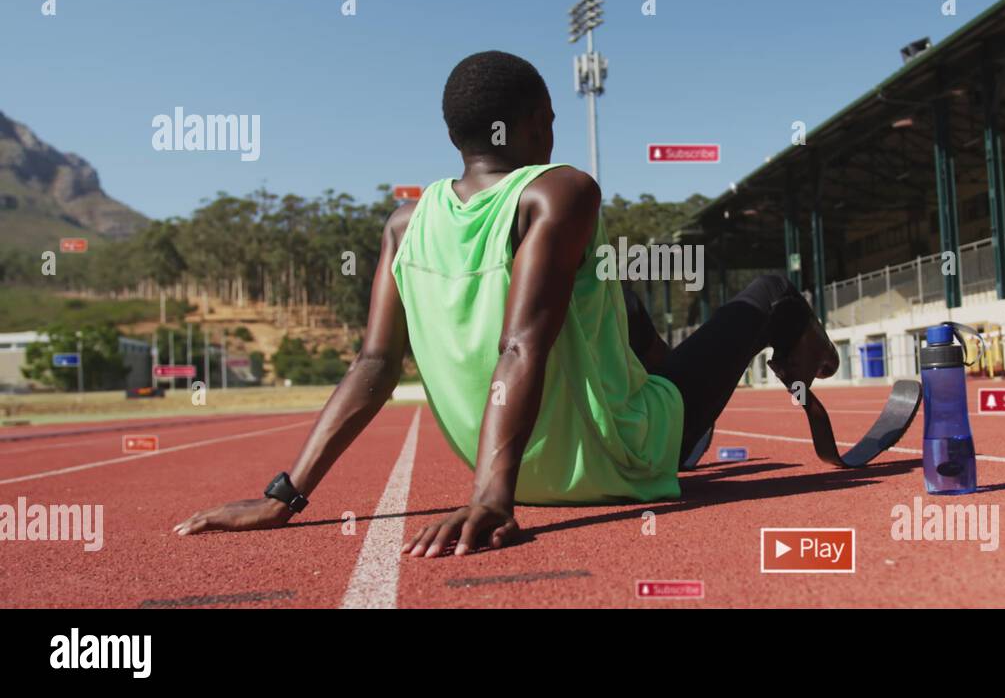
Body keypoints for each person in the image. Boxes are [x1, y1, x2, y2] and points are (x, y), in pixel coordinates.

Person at [173, 51, 837, 557]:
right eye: (548, 122)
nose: (552, 137)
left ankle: (665, 372)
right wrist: (489, 501)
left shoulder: (405, 224)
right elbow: (521, 344)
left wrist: (283, 495)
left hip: (521, 476)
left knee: (599, 278)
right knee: (771, 291)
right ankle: (804, 348)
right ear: (529, 126)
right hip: (618, 460)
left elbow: (374, 363)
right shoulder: (559, 191)